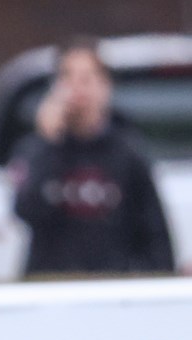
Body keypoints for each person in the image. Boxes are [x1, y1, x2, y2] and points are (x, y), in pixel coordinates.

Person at [11, 37, 175, 277]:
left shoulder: (127, 152)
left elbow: (155, 235)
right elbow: (25, 210)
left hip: (108, 289)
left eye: (86, 79)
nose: (78, 89)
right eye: (68, 78)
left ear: (105, 86)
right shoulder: (37, 148)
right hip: (50, 287)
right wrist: (49, 141)